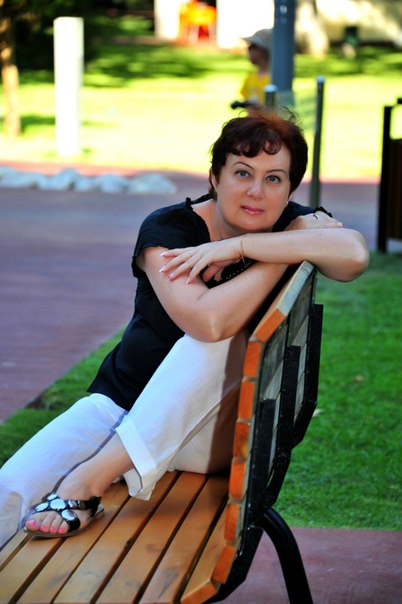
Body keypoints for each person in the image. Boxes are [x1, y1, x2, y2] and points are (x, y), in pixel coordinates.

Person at [0, 113, 369, 547]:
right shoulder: (168, 229)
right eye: (242, 173)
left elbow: (354, 255)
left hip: (210, 434)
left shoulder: (290, 222)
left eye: (274, 179)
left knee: (219, 339)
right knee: (9, 492)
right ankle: (107, 465)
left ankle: (88, 481)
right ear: (215, 178)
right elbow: (205, 316)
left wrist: (242, 246)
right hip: (120, 406)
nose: (256, 191)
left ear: (290, 190)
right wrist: (283, 252)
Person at [231, 28, 272, 113]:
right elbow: (246, 97)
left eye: (252, 47)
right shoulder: (251, 76)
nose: (248, 49)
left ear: (264, 50)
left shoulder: (275, 79)